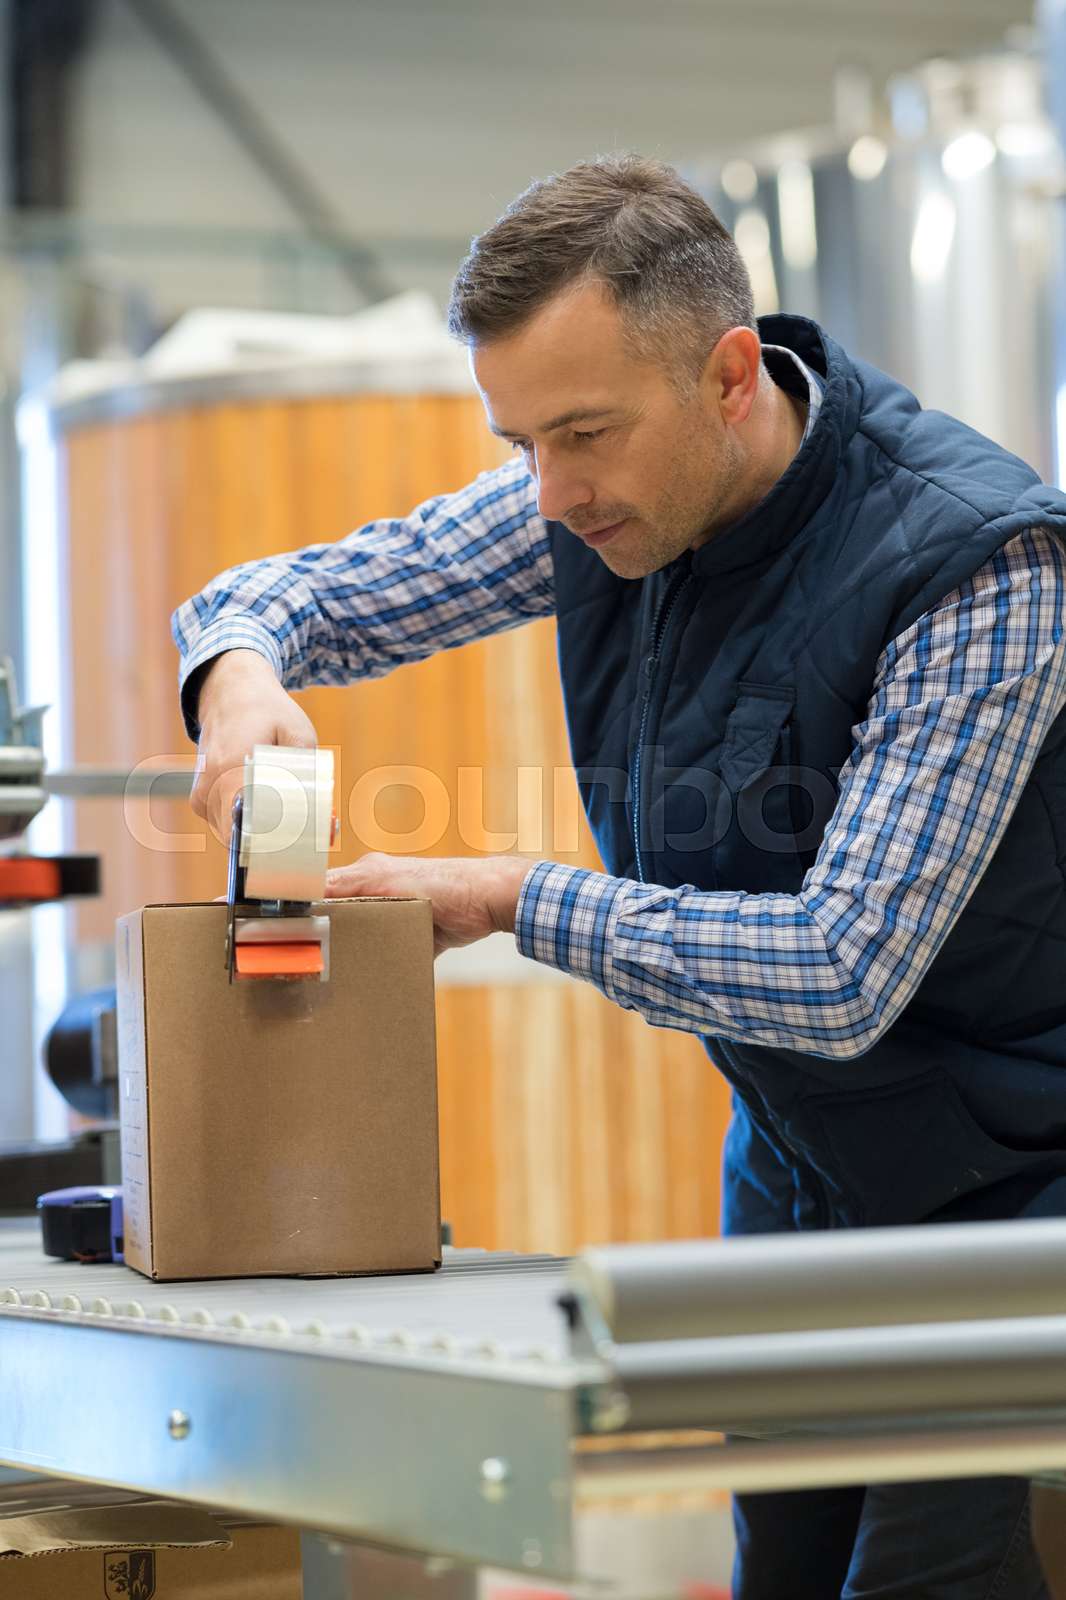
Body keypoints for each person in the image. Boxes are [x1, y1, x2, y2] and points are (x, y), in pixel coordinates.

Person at [174, 155, 1066, 1598]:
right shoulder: (601, 494)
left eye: (580, 433)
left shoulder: (977, 566)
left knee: (924, 1575)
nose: (549, 489)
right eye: (517, 440)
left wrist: (512, 894)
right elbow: (298, 590)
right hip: (803, 1157)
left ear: (727, 376)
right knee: (784, 1562)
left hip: (1013, 1200)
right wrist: (238, 673)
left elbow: (837, 975)